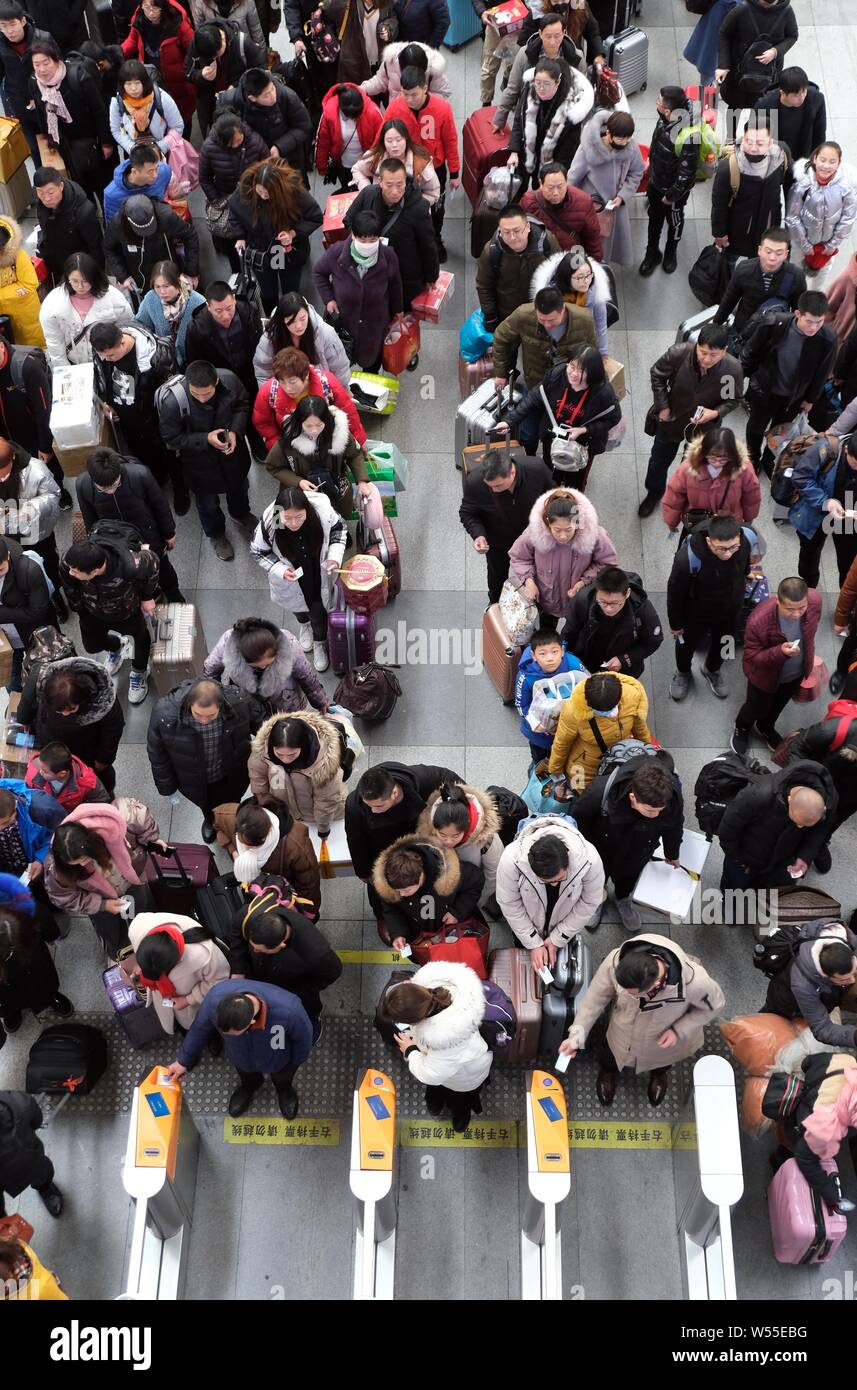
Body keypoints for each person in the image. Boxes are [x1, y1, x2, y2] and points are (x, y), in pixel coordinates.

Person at [559, 933, 725, 1107]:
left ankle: (658, 1075)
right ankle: (608, 1072)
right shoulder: (617, 960)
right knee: (611, 1055)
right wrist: (577, 1033)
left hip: (664, 1038)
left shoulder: (695, 982)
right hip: (623, 1031)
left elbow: (715, 1005)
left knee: (662, 1062)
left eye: (632, 993)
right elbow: (595, 998)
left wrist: (679, 1029)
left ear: (653, 986)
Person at [166, 979, 313, 1118]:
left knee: (283, 1078)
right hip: (240, 1057)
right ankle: (249, 1086)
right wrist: (183, 1061)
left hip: (279, 1060)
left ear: (251, 1023)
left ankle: (284, 1090)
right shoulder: (215, 999)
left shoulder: (289, 1010)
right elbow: (200, 1028)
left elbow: (303, 1040)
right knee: (247, 1077)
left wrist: (292, 1064)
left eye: (234, 1034)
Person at [637, 325, 743, 517]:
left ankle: (681, 496)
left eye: (714, 355)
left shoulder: (731, 370)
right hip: (672, 419)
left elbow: (732, 399)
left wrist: (716, 413)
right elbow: (657, 374)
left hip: (704, 427)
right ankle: (654, 493)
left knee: (692, 467)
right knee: (658, 462)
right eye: (702, 352)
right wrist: (663, 406)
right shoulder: (679, 354)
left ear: (724, 351)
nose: (707, 359)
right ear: (696, 345)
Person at [572, 754, 685, 935]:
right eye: (650, 810)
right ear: (633, 797)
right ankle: (597, 900)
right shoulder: (600, 791)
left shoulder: (670, 797)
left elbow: (675, 826)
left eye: (659, 810)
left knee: (629, 877)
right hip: (602, 846)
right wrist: (581, 852)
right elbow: (578, 821)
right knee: (597, 876)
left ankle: (622, 899)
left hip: (639, 848)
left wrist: (672, 853)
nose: (656, 815)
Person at [157, 360, 257, 564]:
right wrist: (204, 439)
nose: (202, 399)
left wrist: (236, 432)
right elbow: (170, 437)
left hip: (232, 455)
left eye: (207, 393)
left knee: (238, 488)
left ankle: (241, 514)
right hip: (199, 464)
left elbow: (242, 405)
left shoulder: (230, 381)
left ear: (217, 381)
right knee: (207, 503)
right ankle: (216, 534)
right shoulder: (173, 402)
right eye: (196, 394)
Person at [44, 797, 165, 955]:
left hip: (132, 879)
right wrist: (102, 905)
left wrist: (153, 841)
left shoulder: (121, 819)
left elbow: (144, 823)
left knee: (141, 907)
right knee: (110, 929)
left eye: (85, 859)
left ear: (94, 844)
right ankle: (118, 951)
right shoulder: (56, 866)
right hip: (99, 897)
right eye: (76, 863)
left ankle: (146, 934)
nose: (82, 865)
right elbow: (63, 896)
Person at [381, 964, 492, 1133]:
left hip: (466, 1075)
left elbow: (431, 1074)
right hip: (463, 1059)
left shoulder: (445, 1039)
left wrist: (411, 1050)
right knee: (443, 1085)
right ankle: (440, 1098)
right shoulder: (439, 985)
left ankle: (461, 1111)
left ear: (417, 1019)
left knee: (459, 1095)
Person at [250, 487, 348, 673]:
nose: (294, 523)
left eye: (299, 517)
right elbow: (258, 551)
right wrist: (279, 568)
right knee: (296, 607)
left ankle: (320, 642)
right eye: (288, 518)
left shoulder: (321, 512)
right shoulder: (275, 520)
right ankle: (304, 625)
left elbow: (339, 529)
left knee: (318, 611)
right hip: (290, 576)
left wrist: (335, 556)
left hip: (316, 571)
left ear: (307, 510)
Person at [147, 677, 255, 843]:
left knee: (234, 798)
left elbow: (263, 724)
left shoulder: (238, 703)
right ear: (189, 704)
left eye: (211, 715)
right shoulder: (165, 715)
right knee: (205, 803)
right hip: (193, 777)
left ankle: (233, 819)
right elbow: (157, 753)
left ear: (220, 705)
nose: (204, 721)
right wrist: (166, 786)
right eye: (198, 714)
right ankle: (210, 820)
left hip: (230, 771)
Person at [345, 760, 464, 908]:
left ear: (394, 793)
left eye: (378, 806)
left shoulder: (420, 780)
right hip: (382, 850)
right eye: (368, 805)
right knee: (380, 888)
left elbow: (450, 780)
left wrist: (463, 808)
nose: (372, 811)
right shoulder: (354, 806)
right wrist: (363, 872)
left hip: (418, 842)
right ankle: (381, 916)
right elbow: (356, 841)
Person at [740, 290, 836, 473]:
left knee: (779, 431)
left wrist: (810, 399)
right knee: (755, 427)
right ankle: (753, 456)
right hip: (765, 390)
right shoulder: (774, 323)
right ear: (797, 314)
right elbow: (751, 352)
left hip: (793, 397)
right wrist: (742, 379)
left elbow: (822, 373)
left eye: (819, 322)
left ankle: (768, 457)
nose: (814, 327)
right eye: (809, 321)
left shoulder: (827, 339)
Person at [498, 345, 621, 487]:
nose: (574, 374)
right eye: (572, 366)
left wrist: (583, 430)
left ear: (593, 373)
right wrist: (509, 422)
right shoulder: (557, 375)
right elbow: (534, 397)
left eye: (582, 370)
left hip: (582, 443)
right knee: (550, 467)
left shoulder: (603, 393)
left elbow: (613, 417)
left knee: (576, 478)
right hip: (554, 436)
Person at [495, 812, 604, 969]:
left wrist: (558, 938)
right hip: (528, 921)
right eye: (545, 881)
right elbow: (509, 903)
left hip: (565, 920)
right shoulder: (512, 860)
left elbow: (589, 902)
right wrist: (533, 943)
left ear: (567, 857)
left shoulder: (589, 860)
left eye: (558, 879)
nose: (553, 885)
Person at [60, 535, 160, 705]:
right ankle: (117, 647)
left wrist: (147, 596)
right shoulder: (70, 562)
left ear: (96, 571)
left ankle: (139, 671)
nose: (71, 573)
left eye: (76, 572)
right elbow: (69, 585)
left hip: (127, 612)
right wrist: (79, 607)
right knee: (92, 645)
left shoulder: (131, 564)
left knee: (139, 641)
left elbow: (153, 562)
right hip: (91, 611)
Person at [666, 514, 754, 704]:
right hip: (696, 610)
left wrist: (746, 573)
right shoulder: (687, 559)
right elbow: (674, 593)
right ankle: (682, 672)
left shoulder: (745, 539)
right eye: (721, 548)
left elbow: (745, 559)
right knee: (685, 644)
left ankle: (713, 669)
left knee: (725, 641)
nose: (728, 553)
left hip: (730, 607)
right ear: (709, 541)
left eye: (733, 547)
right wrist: (676, 623)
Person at [76, 447, 183, 600]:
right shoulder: (83, 485)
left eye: (114, 485)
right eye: (103, 488)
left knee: (162, 568)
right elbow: (90, 520)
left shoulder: (140, 475)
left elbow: (160, 505)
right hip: (116, 542)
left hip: (148, 535)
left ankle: (174, 594)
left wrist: (169, 533)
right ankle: (150, 596)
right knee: (131, 574)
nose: (110, 491)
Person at [731, 575, 822, 756]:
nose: (797, 614)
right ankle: (742, 727)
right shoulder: (758, 621)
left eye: (801, 608)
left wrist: (809, 660)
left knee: (779, 705)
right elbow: (752, 656)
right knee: (756, 706)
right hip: (764, 676)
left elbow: (809, 633)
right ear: (778, 601)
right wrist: (780, 652)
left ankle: (766, 726)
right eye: (790, 609)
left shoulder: (814, 600)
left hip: (795, 674)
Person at [719, 758, 837, 892]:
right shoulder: (757, 795)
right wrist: (737, 858)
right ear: (789, 799)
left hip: (778, 863)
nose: (799, 827)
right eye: (797, 821)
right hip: (743, 860)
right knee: (733, 887)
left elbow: (819, 832)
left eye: (804, 825)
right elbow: (728, 829)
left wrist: (804, 857)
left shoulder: (829, 802)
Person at [508, 487, 618, 628]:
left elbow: (607, 563)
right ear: (548, 522)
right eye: (557, 530)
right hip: (546, 599)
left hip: (578, 600)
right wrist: (529, 581)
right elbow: (519, 557)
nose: (563, 536)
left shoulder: (594, 535)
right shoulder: (534, 533)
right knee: (547, 631)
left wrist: (584, 581)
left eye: (568, 530)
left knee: (575, 634)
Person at [459, 445, 553, 605]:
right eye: (490, 486)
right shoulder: (475, 482)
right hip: (498, 541)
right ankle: (495, 604)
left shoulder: (536, 469)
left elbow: (553, 498)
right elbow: (468, 512)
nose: (493, 491)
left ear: (512, 472)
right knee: (497, 576)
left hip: (533, 540)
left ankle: (536, 606)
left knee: (537, 576)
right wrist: (479, 534)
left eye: (498, 486)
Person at [227, 902, 339, 1035]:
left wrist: (303, 989)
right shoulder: (252, 916)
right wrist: (238, 970)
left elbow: (334, 970)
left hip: (294, 990)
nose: (254, 951)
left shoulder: (315, 952)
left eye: (259, 949)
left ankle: (313, 1031)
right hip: (264, 977)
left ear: (280, 945)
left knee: (307, 1017)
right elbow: (236, 932)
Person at [312, 211, 403, 374]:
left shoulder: (388, 256)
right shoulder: (336, 253)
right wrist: (329, 299)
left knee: (371, 366)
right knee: (340, 367)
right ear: (353, 235)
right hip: (343, 325)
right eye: (363, 239)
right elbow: (319, 273)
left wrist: (398, 312)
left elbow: (395, 285)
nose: (368, 244)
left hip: (374, 328)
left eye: (373, 239)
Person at [18, 656, 125, 794]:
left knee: (98, 782)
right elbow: (25, 709)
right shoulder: (39, 679)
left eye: (72, 709)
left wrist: (104, 759)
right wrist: (25, 722)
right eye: (59, 710)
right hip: (49, 744)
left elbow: (113, 729)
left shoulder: (103, 699)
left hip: (86, 752)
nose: (66, 714)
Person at [384, 64, 460, 257]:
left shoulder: (442, 108)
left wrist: (455, 172)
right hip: (406, 168)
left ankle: (435, 239)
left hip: (436, 167)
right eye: (405, 94)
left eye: (414, 94)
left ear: (425, 88)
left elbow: (450, 139)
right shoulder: (394, 107)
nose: (409, 100)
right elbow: (384, 136)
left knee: (436, 207)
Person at [227, 157, 322, 308]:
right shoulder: (244, 191)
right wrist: (239, 236)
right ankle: (272, 314)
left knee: (290, 290)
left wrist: (292, 233)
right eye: (260, 191)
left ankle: (289, 311)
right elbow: (233, 212)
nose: (264, 195)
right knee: (267, 291)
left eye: (269, 193)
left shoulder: (294, 193)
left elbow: (315, 217)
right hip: (261, 250)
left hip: (285, 250)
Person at [344, 158, 439, 308]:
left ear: (405, 182)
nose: (395, 191)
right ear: (380, 181)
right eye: (389, 185)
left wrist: (431, 276)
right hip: (371, 271)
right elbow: (348, 219)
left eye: (399, 184)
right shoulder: (368, 194)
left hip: (404, 275)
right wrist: (360, 240)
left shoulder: (418, 208)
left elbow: (428, 245)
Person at [28, 39, 113, 203]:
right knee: (78, 190)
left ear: (56, 59)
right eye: (36, 65)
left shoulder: (78, 76)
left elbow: (99, 111)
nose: (42, 69)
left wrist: (105, 142)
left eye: (46, 63)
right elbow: (41, 113)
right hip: (63, 144)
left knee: (102, 187)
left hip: (89, 142)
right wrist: (48, 139)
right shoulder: (34, 82)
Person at [185, 282, 263, 458]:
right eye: (218, 311)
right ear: (208, 306)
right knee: (230, 417)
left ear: (234, 299)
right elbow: (195, 362)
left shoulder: (248, 311)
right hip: (221, 380)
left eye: (229, 308)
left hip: (248, 372)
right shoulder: (197, 328)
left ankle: (258, 444)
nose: (226, 315)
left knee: (254, 410)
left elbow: (259, 342)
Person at [372, 829, 485, 952]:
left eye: (406, 890)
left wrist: (457, 912)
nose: (401, 894)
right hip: (418, 936)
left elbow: (476, 882)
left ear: (420, 876)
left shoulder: (449, 872)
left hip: (454, 930)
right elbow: (391, 909)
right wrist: (398, 933)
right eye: (397, 890)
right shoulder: (389, 881)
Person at [90, 320, 175, 475]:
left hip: (153, 419)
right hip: (124, 420)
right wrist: (105, 403)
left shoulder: (154, 356)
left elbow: (167, 390)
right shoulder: (102, 352)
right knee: (139, 455)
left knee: (166, 455)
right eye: (103, 355)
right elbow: (101, 378)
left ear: (122, 342)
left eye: (111, 355)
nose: (107, 359)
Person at [265, 394, 371, 519]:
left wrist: (362, 481)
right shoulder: (288, 440)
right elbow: (273, 466)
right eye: (308, 426)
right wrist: (298, 482)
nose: (314, 431)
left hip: (336, 488)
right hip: (302, 495)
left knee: (337, 520)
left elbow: (354, 455)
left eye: (319, 425)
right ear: (299, 423)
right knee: (307, 523)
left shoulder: (340, 434)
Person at [128, 910, 230, 1036]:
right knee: (175, 1019)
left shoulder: (203, 954)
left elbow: (219, 980)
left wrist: (188, 1000)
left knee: (197, 1025)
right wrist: (142, 963)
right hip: (166, 996)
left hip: (190, 1002)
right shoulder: (140, 927)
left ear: (176, 962)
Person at [548, 671, 654, 792]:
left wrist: (650, 754)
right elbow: (562, 743)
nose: (611, 714)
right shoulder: (573, 711)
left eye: (613, 707)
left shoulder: (632, 696)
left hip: (620, 759)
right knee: (583, 796)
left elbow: (640, 729)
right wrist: (556, 771)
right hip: (584, 767)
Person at [204, 617, 329, 719]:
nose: (264, 667)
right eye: (259, 665)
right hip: (246, 701)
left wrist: (320, 701)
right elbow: (211, 668)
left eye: (270, 662)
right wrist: (215, 700)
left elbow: (306, 675)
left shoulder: (288, 645)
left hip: (285, 702)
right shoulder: (228, 644)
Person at [248, 711, 349, 836]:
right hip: (285, 811)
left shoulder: (325, 764)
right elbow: (258, 780)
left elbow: (325, 802)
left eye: (291, 754)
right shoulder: (262, 751)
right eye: (279, 754)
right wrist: (266, 805)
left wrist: (323, 827)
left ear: (304, 746)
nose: (284, 760)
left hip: (316, 817)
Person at [253, 346, 367, 454]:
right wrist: (278, 445)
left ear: (306, 375)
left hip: (325, 438)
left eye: (292, 382)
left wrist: (359, 440)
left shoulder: (327, 384)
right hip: (292, 443)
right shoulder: (269, 392)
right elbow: (262, 422)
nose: (287, 388)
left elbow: (348, 411)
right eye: (282, 382)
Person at [762, 918, 857, 1047]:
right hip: (786, 1003)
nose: (852, 980)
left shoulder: (843, 934)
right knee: (768, 1028)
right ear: (826, 975)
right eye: (844, 979)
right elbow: (822, 1028)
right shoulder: (803, 984)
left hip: (819, 992)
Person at [492, 13, 594, 132]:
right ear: (540, 34)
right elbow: (512, 89)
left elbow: (582, 94)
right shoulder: (525, 54)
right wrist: (499, 119)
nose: (552, 42)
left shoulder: (576, 57)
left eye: (557, 36)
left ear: (564, 33)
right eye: (548, 36)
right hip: (530, 114)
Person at [507, 57, 594, 196]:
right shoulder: (530, 92)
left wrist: (549, 178)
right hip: (527, 153)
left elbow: (567, 153)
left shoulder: (570, 112)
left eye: (546, 83)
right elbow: (519, 121)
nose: (541, 88)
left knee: (540, 193)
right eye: (538, 82)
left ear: (557, 82)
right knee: (518, 189)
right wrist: (514, 151)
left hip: (551, 163)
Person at [568, 109, 644, 267]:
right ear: (608, 133)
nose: (624, 143)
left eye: (628, 139)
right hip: (592, 209)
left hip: (616, 207)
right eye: (620, 139)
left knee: (608, 246)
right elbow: (572, 179)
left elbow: (636, 172)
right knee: (593, 247)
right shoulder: (587, 150)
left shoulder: (630, 147)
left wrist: (623, 195)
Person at [565, 565, 663, 682]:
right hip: (586, 660)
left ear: (627, 594)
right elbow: (570, 631)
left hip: (623, 670)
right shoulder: (583, 599)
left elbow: (653, 641)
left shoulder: (643, 610)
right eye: (603, 602)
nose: (609, 609)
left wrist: (624, 659)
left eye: (616, 603)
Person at [711, 119, 789, 264]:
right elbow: (718, 204)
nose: (753, 148)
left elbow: (788, 187)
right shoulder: (729, 167)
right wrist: (719, 233)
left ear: (771, 142)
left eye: (760, 143)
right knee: (729, 262)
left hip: (768, 228)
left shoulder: (781, 155)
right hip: (738, 232)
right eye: (749, 141)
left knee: (761, 265)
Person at [415, 781, 504, 908]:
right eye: (442, 835)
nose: (449, 841)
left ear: (467, 828)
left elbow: (493, 875)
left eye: (455, 836)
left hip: (471, 888)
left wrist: (477, 901)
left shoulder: (487, 840)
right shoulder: (426, 828)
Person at [39, 252, 133, 370]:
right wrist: (65, 370)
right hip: (74, 363)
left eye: (85, 281)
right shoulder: (53, 303)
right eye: (75, 281)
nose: (80, 286)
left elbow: (128, 326)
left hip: (109, 362)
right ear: (68, 278)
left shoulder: (113, 297)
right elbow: (54, 341)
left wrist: (120, 351)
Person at [492, 285, 597, 391]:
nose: (547, 325)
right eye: (542, 320)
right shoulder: (523, 315)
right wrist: (501, 373)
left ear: (563, 310)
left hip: (568, 384)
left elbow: (592, 352)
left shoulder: (584, 320)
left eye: (552, 320)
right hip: (535, 383)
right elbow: (501, 337)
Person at [713, 227, 806, 346]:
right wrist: (716, 325)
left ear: (786, 254)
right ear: (759, 250)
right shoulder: (744, 269)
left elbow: (798, 311)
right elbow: (729, 300)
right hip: (744, 329)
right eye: (768, 251)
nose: (772, 258)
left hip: (774, 332)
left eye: (779, 253)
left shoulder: (796, 276)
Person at [639, 87, 697, 277]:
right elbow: (657, 141)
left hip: (673, 193)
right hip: (656, 182)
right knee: (654, 218)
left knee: (675, 222)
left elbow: (687, 173)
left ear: (667, 110)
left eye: (659, 101)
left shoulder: (689, 135)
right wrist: (650, 160)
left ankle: (671, 252)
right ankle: (652, 252)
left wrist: (671, 196)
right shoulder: (665, 119)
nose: (656, 102)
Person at [476, 206, 561, 335]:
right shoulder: (492, 251)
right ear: (499, 231)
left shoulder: (546, 243)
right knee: (506, 350)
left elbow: (560, 274)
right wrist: (490, 315)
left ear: (528, 227)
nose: (513, 237)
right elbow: (484, 286)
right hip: (507, 314)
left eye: (517, 230)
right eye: (506, 232)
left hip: (540, 312)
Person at [661, 427, 761, 534]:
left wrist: (748, 519)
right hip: (698, 524)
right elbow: (674, 495)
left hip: (728, 525)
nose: (717, 463)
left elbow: (751, 497)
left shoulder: (744, 469)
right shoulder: (688, 468)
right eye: (712, 457)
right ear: (704, 452)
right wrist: (671, 521)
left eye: (723, 458)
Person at [104, 193, 201, 302]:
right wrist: (123, 276)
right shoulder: (118, 224)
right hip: (138, 275)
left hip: (167, 268)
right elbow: (109, 248)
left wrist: (191, 272)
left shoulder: (166, 217)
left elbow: (190, 235)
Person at [790, 432, 857, 590]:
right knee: (810, 552)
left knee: (847, 561)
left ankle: (846, 598)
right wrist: (826, 503)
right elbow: (801, 476)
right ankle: (809, 586)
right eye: (855, 463)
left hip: (849, 515)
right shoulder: (826, 449)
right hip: (818, 510)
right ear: (846, 450)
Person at [199, 114, 269, 263]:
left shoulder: (254, 141)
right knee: (234, 242)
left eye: (240, 139)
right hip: (227, 198)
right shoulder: (209, 148)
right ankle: (237, 270)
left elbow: (268, 166)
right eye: (233, 142)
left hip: (255, 196)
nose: (238, 144)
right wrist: (217, 200)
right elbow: (205, 179)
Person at [120, 0, 195, 131]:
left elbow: (192, 48)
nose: (150, 13)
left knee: (181, 119)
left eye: (155, 8)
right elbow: (132, 40)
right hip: (151, 76)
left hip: (176, 80)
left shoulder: (177, 20)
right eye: (146, 7)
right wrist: (119, 52)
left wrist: (186, 72)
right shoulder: (139, 18)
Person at [514, 627, 584, 765]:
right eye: (543, 654)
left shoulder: (574, 664)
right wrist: (541, 726)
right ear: (534, 656)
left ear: (562, 651)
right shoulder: (526, 677)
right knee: (541, 762)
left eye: (554, 652)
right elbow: (522, 705)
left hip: (571, 729)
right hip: (541, 737)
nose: (550, 658)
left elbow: (587, 685)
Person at [785, 143, 857, 278]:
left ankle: (817, 295)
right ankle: (795, 296)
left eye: (832, 161)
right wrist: (804, 244)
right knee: (795, 271)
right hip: (801, 242)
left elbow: (848, 218)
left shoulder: (846, 187)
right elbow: (791, 217)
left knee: (823, 273)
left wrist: (832, 244)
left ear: (838, 163)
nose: (826, 165)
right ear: (815, 159)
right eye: (822, 160)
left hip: (828, 244)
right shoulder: (802, 184)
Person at [252, 291, 350, 389]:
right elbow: (263, 372)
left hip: (319, 388)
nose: (299, 326)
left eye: (302, 319)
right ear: (282, 320)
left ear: (308, 312)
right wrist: (271, 396)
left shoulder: (325, 333)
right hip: (285, 390)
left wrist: (343, 389)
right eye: (292, 321)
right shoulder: (270, 338)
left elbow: (339, 367)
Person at [185, 18, 266, 136]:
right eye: (210, 57)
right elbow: (188, 71)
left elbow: (259, 70)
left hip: (241, 104)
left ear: (223, 40)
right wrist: (201, 75)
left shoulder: (242, 42)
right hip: (210, 105)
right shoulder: (198, 43)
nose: (214, 59)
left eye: (216, 54)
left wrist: (237, 86)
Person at [715, 0, 798, 111]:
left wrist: (775, 51)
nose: (764, 5)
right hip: (739, 72)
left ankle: (751, 128)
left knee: (761, 109)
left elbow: (792, 36)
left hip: (768, 74)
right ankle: (732, 129)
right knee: (735, 107)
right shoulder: (743, 9)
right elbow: (724, 32)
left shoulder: (786, 12)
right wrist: (723, 65)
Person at [221, 68, 312, 168]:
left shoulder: (287, 96)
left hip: (287, 158)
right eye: (266, 95)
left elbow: (304, 126)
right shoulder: (231, 102)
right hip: (252, 161)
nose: (273, 96)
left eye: (272, 88)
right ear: (252, 98)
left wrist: (280, 147)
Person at [529, 247, 613, 356]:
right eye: (580, 277)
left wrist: (602, 352)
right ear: (567, 277)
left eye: (589, 275)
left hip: (583, 342)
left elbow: (600, 323)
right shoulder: (550, 295)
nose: (586, 281)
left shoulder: (594, 291)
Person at [0, 537, 58, 688]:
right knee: (13, 686)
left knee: (52, 679)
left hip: (33, 635)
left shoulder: (28, 569)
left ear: (7, 555)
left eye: (0, 570)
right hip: (6, 640)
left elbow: (37, 612)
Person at [0, 1083, 63, 1215]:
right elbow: (36, 1121)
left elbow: (35, 1118)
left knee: (42, 1174)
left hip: (29, 1160)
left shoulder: (17, 1104)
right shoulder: (18, 1103)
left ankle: (45, 1188)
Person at [32, 169, 104, 284]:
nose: (46, 198)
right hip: (55, 265)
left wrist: (94, 277)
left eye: (50, 192)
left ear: (61, 186)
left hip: (78, 270)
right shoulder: (42, 204)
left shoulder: (84, 211)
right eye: (41, 193)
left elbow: (95, 247)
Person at [350, 115, 440, 206]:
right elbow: (357, 169)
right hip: (380, 210)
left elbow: (433, 193)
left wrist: (414, 206)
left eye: (398, 140)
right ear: (383, 141)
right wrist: (369, 191)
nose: (394, 145)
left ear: (406, 139)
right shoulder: (376, 157)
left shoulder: (420, 162)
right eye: (389, 141)